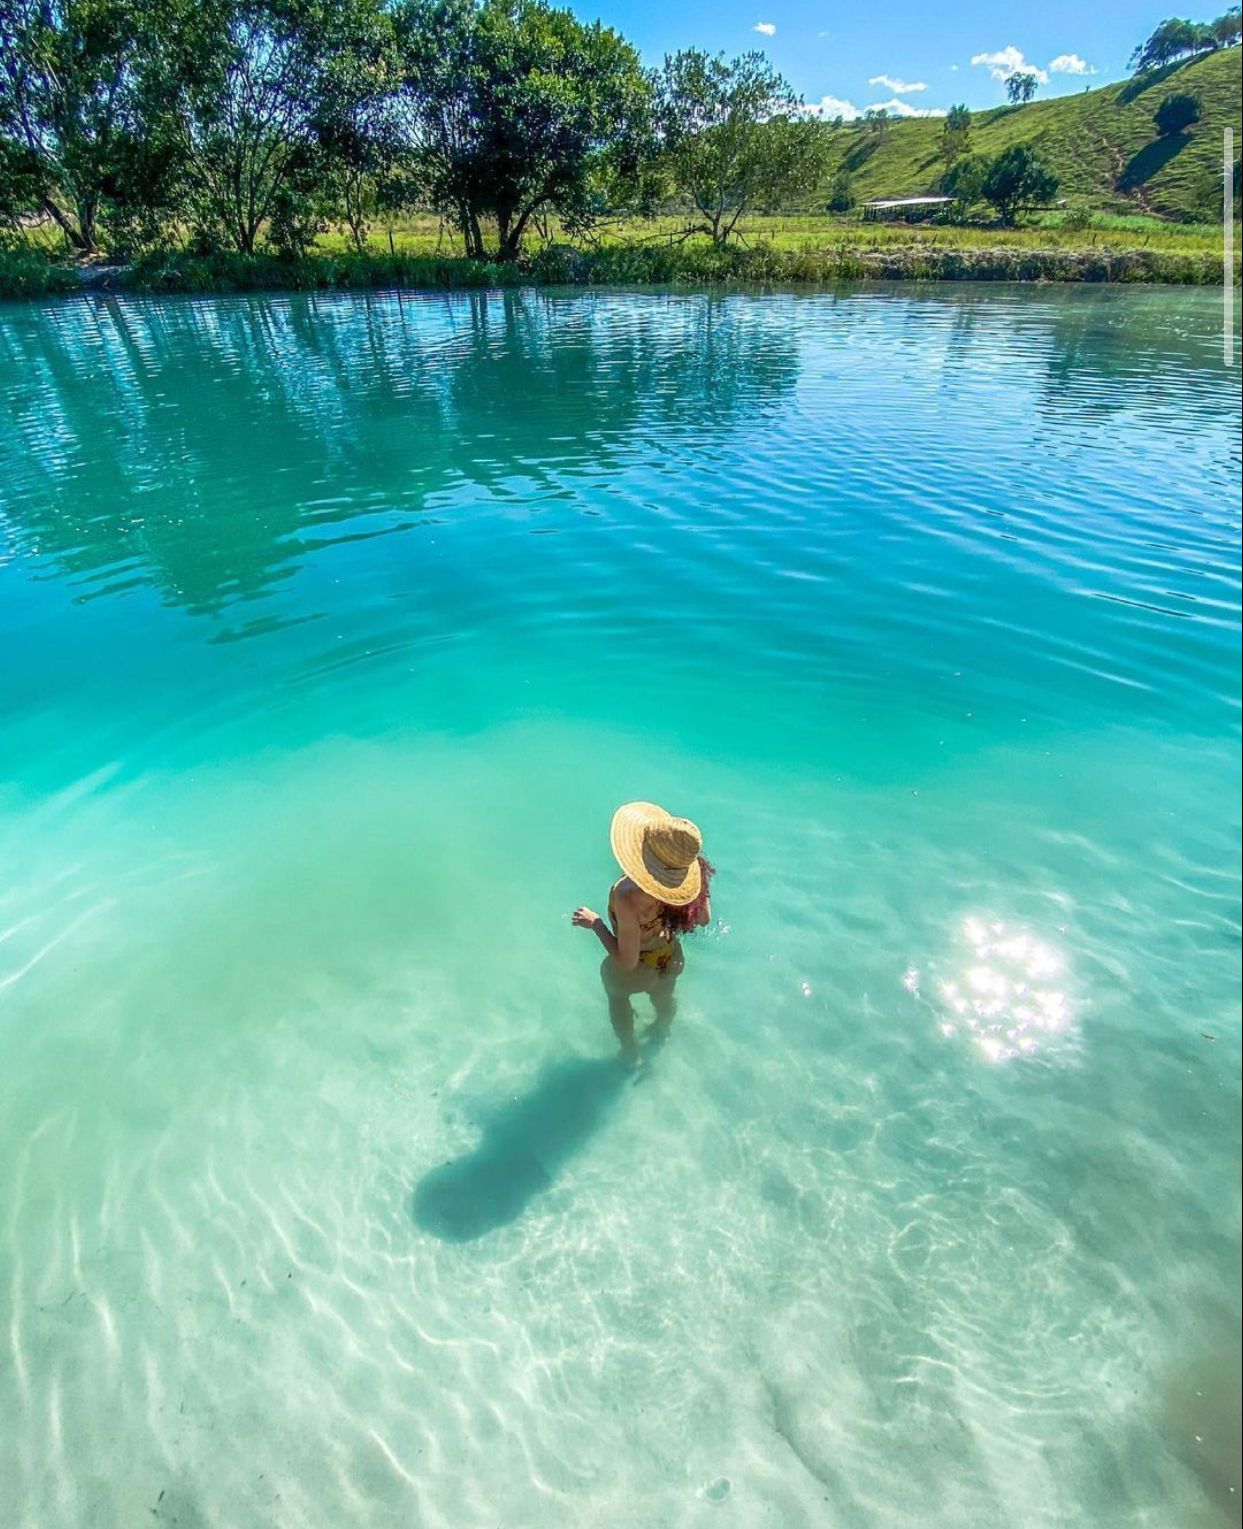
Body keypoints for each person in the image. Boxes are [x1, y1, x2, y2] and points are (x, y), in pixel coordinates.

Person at [572, 801, 714, 1066]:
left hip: (637, 972)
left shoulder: (626, 895)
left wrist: (597, 924)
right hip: (672, 959)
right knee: (665, 1000)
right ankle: (661, 1032)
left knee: (617, 997)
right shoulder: (690, 883)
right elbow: (704, 919)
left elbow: (626, 962)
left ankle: (630, 1052)